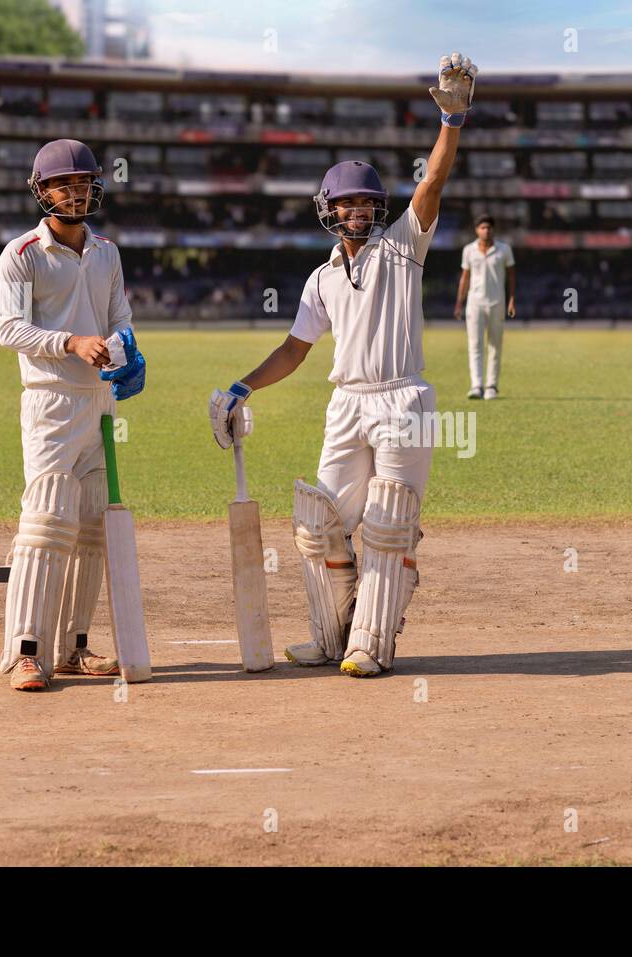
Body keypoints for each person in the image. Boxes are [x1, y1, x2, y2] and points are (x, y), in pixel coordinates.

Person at [209, 52, 478, 678]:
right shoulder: (322, 277)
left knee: (388, 524)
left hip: (402, 400)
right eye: (347, 204)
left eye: (367, 203)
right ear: (328, 210)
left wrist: (453, 120)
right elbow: (295, 350)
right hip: (347, 402)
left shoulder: (403, 249)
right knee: (318, 522)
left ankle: (369, 644)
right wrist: (241, 387)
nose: (358, 212)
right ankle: (329, 636)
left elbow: (431, 185)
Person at [0, 139, 147, 692]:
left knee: (89, 531)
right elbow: (9, 329)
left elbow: (120, 316)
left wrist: (126, 354)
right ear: (42, 190)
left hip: (98, 404)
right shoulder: (22, 253)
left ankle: (75, 648)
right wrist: (71, 343)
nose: (77, 193)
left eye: (84, 183)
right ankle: (25, 652)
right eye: (65, 184)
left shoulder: (106, 251)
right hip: (51, 403)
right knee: (47, 522)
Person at [454, 215, 515, 399]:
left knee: (495, 346)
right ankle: (476, 385)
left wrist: (511, 299)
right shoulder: (469, 250)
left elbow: (511, 275)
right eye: (482, 228)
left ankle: (491, 386)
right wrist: (459, 302)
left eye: (489, 228)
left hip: (497, 302)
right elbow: (465, 277)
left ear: (493, 230)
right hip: (475, 303)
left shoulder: (503, 249)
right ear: (476, 230)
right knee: (475, 345)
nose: (486, 231)